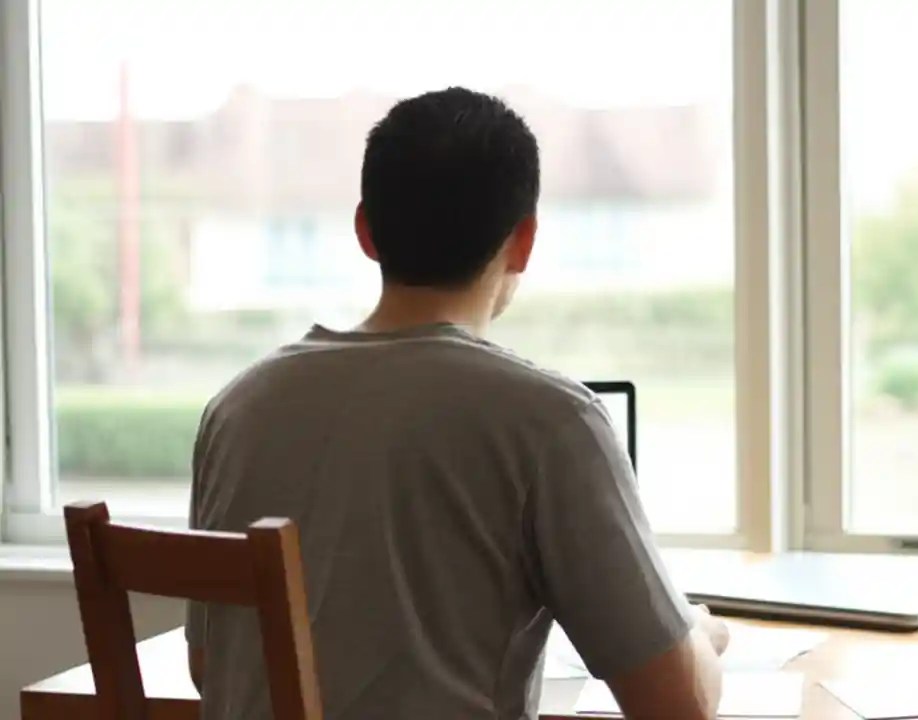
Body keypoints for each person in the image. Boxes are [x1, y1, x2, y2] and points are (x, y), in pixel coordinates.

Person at [185, 87, 730, 720]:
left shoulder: (235, 410)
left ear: (366, 231)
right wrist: (698, 633)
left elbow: (210, 664)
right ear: (524, 241)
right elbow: (677, 705)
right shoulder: (551, 423)